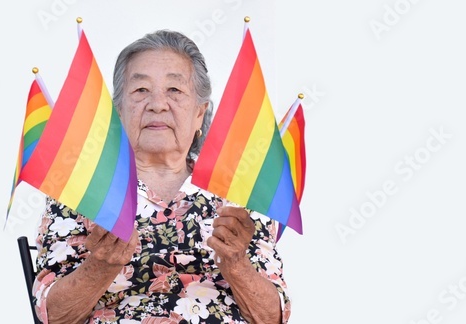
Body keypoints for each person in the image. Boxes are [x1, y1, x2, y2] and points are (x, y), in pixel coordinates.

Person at [32, 30, 290, 324]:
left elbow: (272, 318)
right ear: (119, 111)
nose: (157, 104)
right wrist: (101, 265)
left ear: (199, 114)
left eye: (175, 91)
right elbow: (54, 317)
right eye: (141, 90)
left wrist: (235, 262)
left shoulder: (240, 194)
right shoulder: (79, 189)